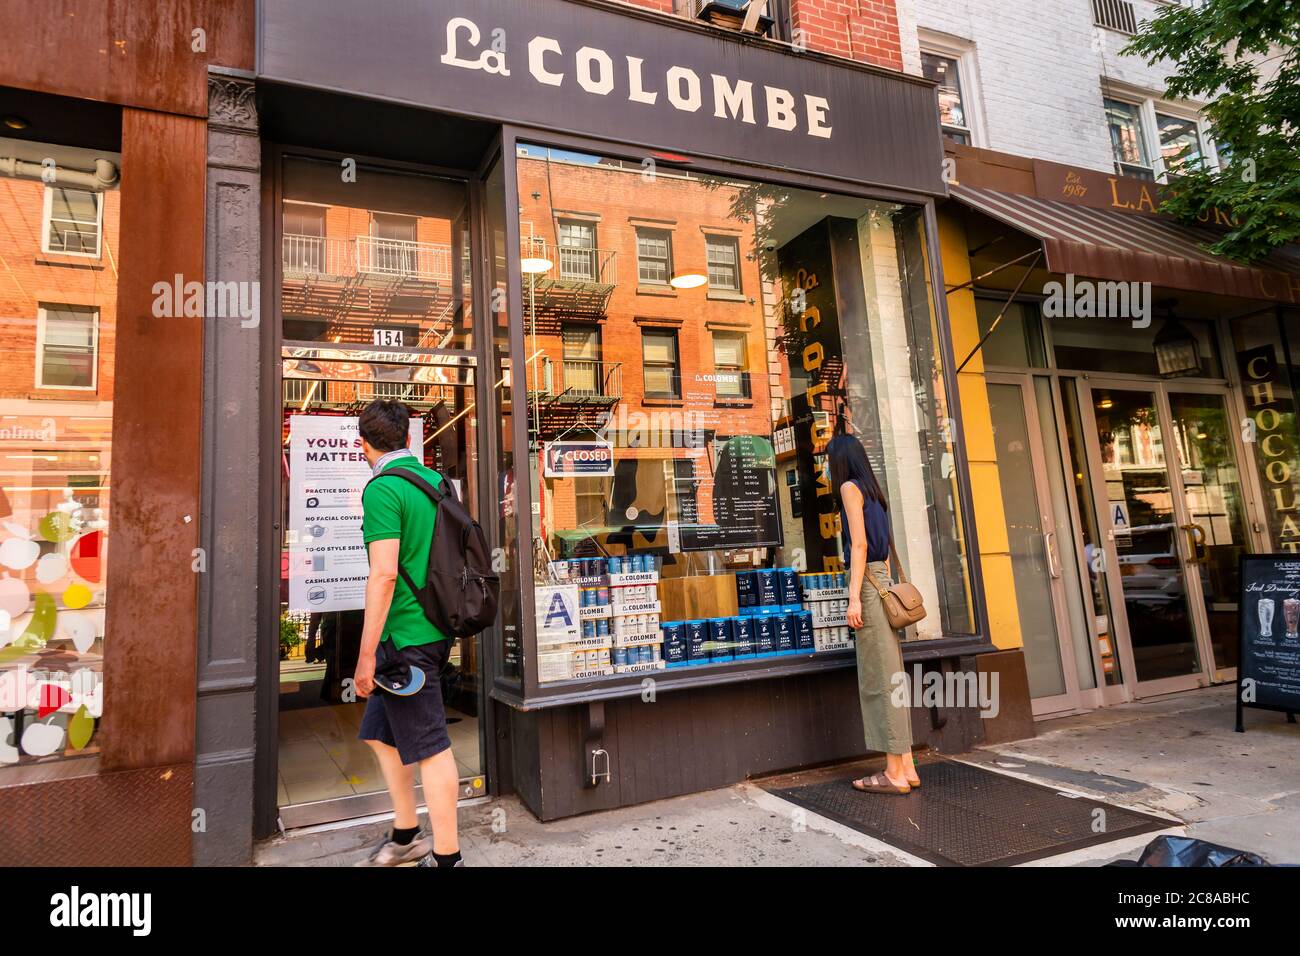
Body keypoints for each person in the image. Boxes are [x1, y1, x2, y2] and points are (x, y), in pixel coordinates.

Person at [352, 399, 463, 867]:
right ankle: (406, 833)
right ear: (407, 439)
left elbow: (383, 576)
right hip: (436, 629)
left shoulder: (382, 490)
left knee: (432, 747)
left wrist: (364, 656)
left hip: (405, 641)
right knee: (380, 733)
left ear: (364, 445)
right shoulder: (436, 483)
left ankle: (447, 858)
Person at [827, 433, 919, 795]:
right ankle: (907, 766)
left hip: (869, 584)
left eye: (829, 461)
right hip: (884, 580)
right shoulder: (875, 491)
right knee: (892, 678)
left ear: (840, 462)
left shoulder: (850, 488)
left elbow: (860, 545)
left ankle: (893, 773)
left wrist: (853, 599)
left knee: (880, 681)